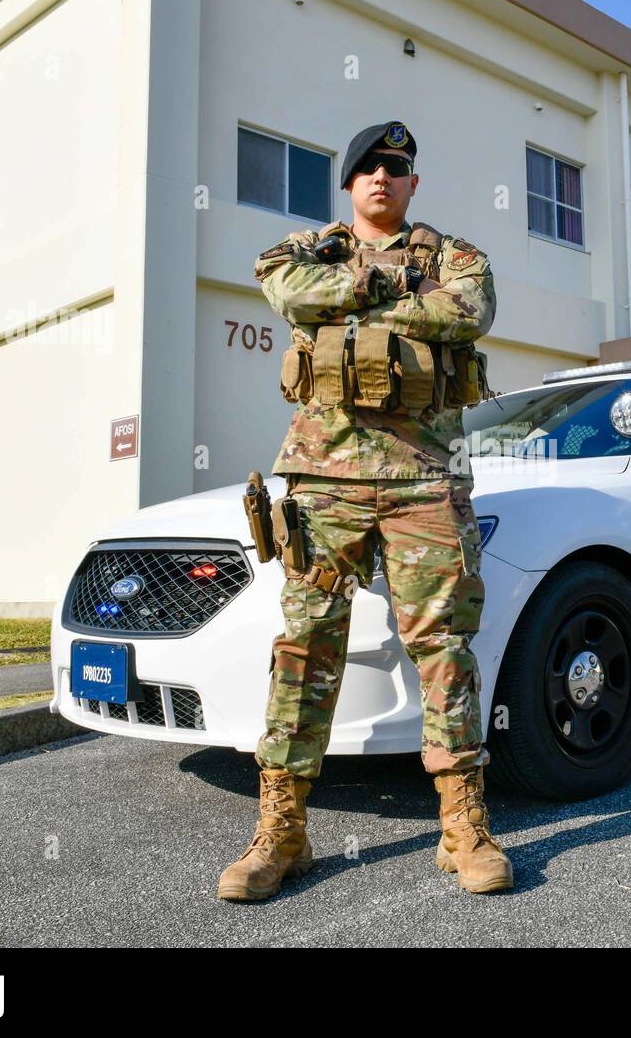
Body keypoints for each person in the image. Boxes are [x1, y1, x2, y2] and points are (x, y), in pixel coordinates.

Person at [218, 121, 513, 901]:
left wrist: (360, 299)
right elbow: (287, 290)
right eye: (368, 168)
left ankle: (463, 826)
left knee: (444, 648)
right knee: (306, 645)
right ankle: (282, 830)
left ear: (413, 182)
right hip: (324, 479)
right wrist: (385, 290)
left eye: (397, 167)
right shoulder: (301, 248)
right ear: (349, 185)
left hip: (425, 478)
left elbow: (469, 311)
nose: (382, 177)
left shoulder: (457, 255)